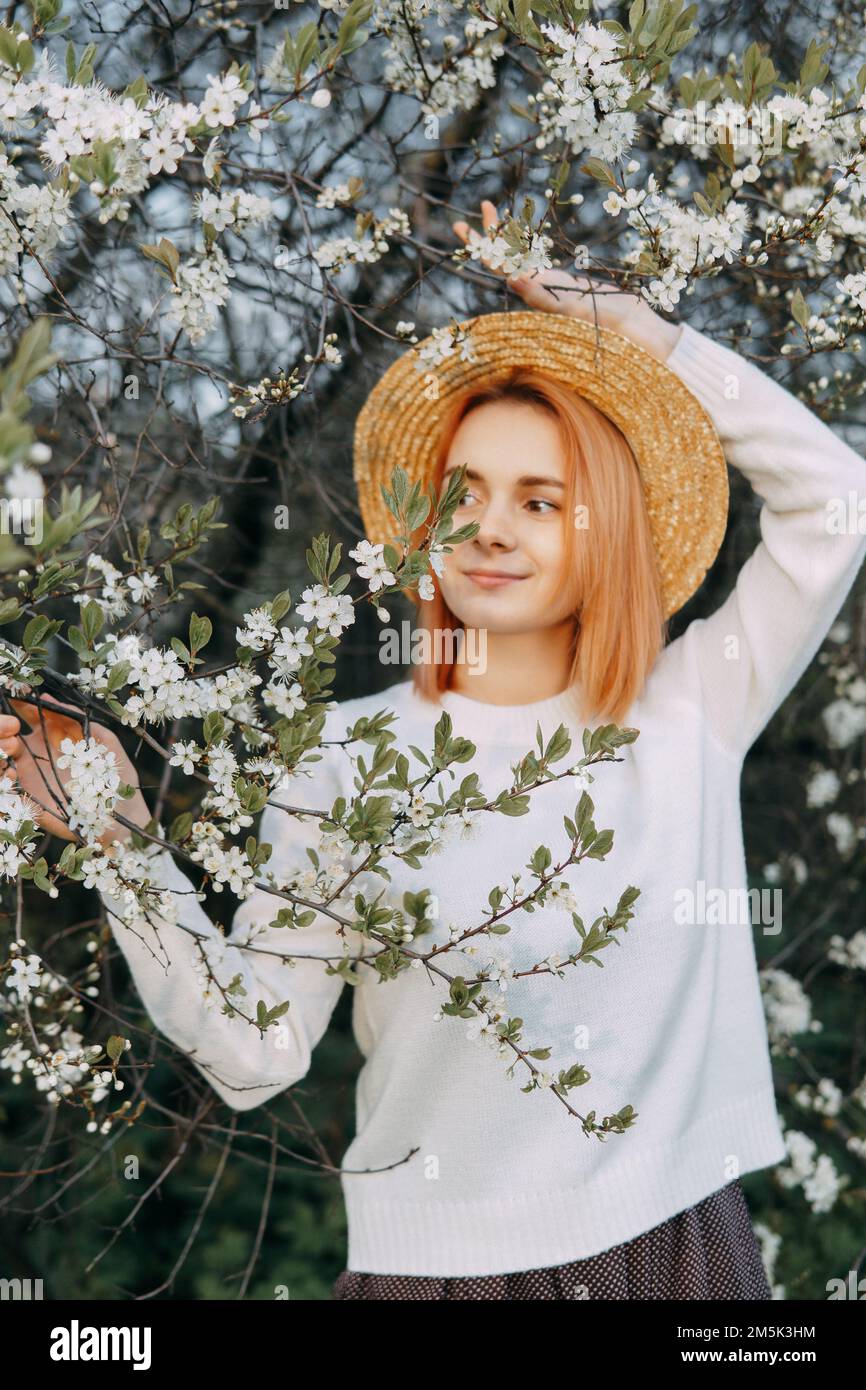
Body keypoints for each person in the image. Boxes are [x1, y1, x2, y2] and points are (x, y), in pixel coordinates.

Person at [2, 201, 864, 1300]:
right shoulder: (342, 759)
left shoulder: (690, 707)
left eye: (540, 500)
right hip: (429, 1274)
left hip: (668, 1250)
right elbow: (257, 1051)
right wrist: (123, 845)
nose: (491, 529)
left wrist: (654, 341)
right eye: (462, 495)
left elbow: (835, 499)